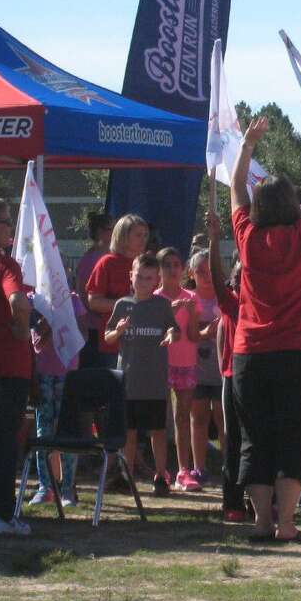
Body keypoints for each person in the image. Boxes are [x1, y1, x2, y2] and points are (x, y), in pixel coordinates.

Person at [229, 116, 301, 543]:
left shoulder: (247, 235)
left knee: (255, 439)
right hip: (294, 352)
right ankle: (287, 524)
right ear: (294, 205)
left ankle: (260, 522)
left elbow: (236, 188)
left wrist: (248, 147)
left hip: (250, 352)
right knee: (294, 437)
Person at [105, 254, 179, 497]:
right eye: (139, 277)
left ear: (156, 280)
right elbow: (107, 337)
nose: (143, 282)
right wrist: (117, 331)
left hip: (155, 382)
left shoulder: (162, 305)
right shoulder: (122, 305)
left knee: (158, 430)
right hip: (129, 382)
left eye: (149, 278)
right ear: (131, 276)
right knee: (130, 432)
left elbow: (174, 329)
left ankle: (160, 475)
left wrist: (170, 335)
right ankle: (127, 475)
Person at [0, 196, 33, 536]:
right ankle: (0, 514)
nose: (10, 228)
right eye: (5, 221)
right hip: (7, 365)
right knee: (3, 442)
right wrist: (21, 326)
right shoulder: (4, 265)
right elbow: (17, 300)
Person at [28, 288, 86, 507]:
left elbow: (83, 335)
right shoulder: (32, 301)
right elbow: (30, 336)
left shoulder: (72, 300)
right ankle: (45, 486)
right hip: (41, 374)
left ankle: (68, 487)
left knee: (66, 429)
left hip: (67, 371)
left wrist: (61, 322)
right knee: (44, 429)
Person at [206, 210, 246, 521]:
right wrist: (214, 241)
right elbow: (217, 280)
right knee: (232, 441)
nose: (240, 278)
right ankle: (232, 502)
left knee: (259, 441)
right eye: (238, 274)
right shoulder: (232, 304)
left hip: (260, 378)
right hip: (233, 378)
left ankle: (265, 499)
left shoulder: (265, 306)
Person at [155, 247, 201, 491]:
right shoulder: (154, 298)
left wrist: (192, 315)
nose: (172, 270)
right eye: (167, 265)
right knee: (160, 420)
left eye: (176, 264)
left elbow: (193, 335)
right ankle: (161, 471)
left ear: (183, 269)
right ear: (160, 270)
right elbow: (153, 336)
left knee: (183, 417)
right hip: (161, 364)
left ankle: (184, 470)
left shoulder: (191, 297)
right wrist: (169, 312)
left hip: (186, 362)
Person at [86, 214, 149, 368]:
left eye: (145, 235)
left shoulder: (148, 263)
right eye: (138, 235)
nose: (144, 239)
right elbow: (93, 302)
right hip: (114, 343)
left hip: (145, 341)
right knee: (116, 389)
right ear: (123, 236)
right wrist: (126, 304)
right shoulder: (107, 263)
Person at [188, 248, 224, 481]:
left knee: (224, 421)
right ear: (191, 273)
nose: (206, 275)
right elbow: (184, 335)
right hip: (196, 370)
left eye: (210, 270)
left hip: (222, 370)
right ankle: (198, 467)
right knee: (198, 418)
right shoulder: (188, 299)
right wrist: (204, 332)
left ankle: (229, 466)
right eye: (200, 271)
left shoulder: (226, 296)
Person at [75, 211, 114, 369]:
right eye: (112, 229)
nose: (115, 233)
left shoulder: (111, 256)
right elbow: (83, 295)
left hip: (109, 327)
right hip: (94, 329)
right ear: (101, 232)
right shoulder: (90, 259)